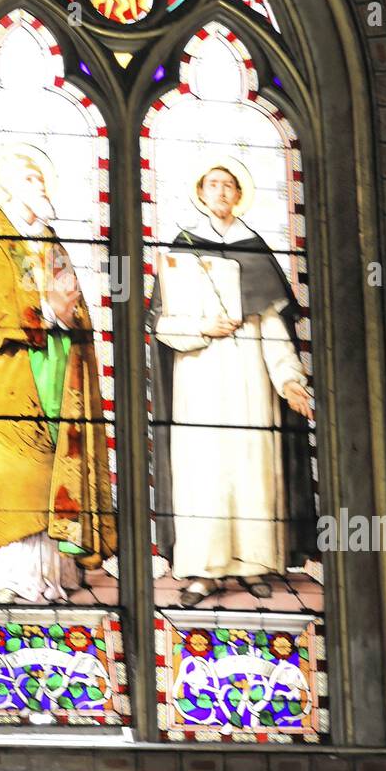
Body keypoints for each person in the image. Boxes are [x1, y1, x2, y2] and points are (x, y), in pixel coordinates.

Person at [0, 142, 116, 603]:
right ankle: (8, 577)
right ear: (6, 187)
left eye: (41, 178)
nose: (38, 185)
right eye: (28, 178)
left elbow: (73, 308)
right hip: (1, 386)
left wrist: (64, 313)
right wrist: (42, 309)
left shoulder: (52, 243)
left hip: (59, 379)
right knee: (14, 479)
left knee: (58, 474)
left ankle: (53, 577)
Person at [147, 156, 314, 604]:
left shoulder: (255, 249)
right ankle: (204, 571)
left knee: (252, 469)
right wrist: (202, 328)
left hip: (249, 381)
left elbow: (274, 328)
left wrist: (290, 380)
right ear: (201, 193)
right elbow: (162, 325)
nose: (221, 192)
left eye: (229, 186)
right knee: (204, 474)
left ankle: (254, 565)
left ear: (239, 195)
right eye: (213, 185)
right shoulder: (181, 248)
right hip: (198, 377)